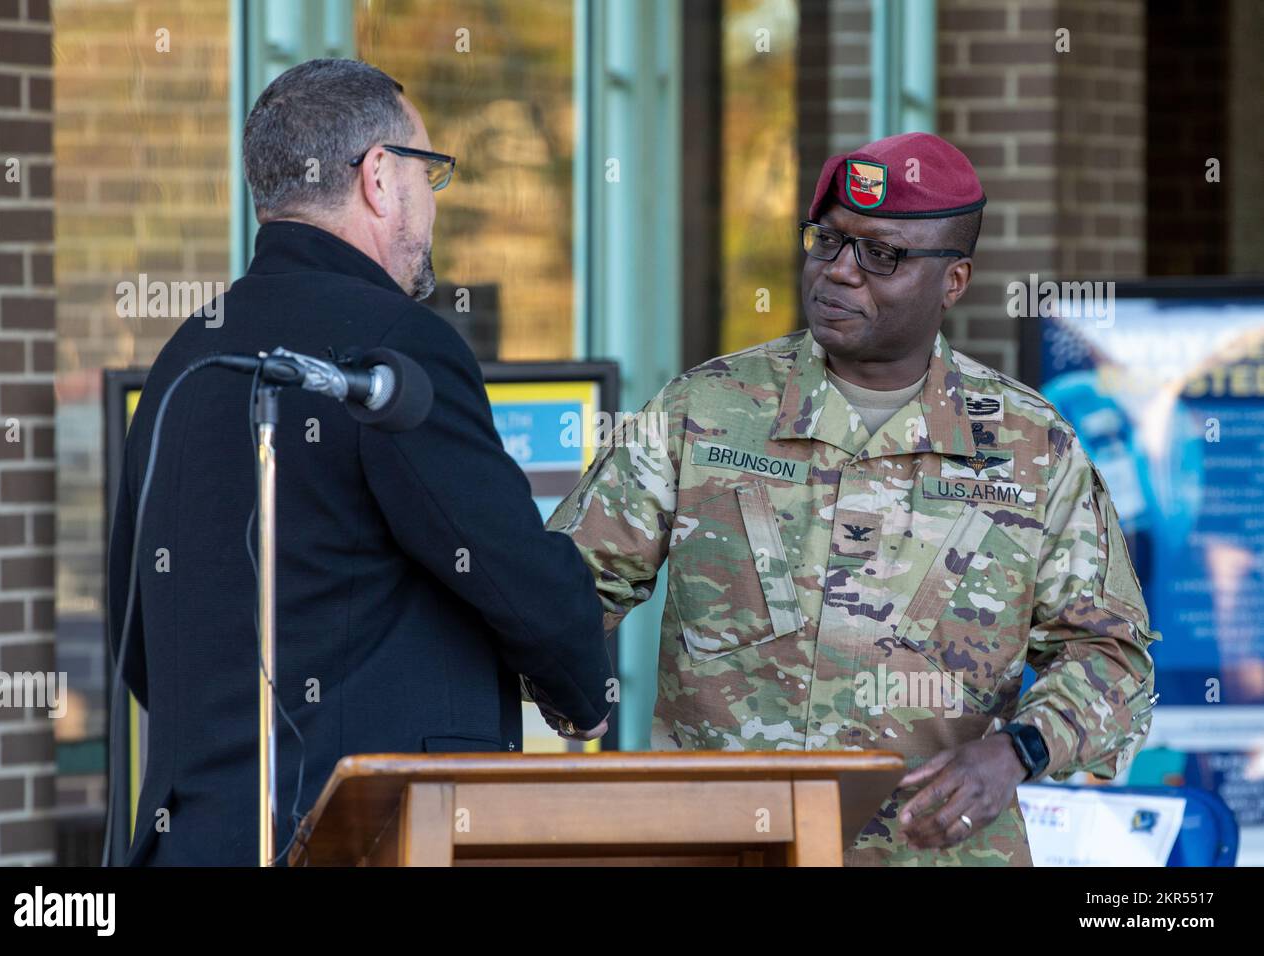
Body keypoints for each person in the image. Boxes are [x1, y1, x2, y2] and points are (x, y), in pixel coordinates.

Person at [547, 132, 1159, 865]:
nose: (839, 272)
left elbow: (1114, 659)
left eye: (882, 254)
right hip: (726, 846)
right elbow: (564, 598)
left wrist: (1016, 752)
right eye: (828, 241)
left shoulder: (1033, 447)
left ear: (954, 281)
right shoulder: (705, 410)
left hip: (932, 854)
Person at [108, 58, 611, 866]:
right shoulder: (398, 346)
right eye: (428, 173)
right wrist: (584, 696)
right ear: (381, 176)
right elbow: (508, 565)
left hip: (193, 838)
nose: (432, 204)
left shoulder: (184, 354)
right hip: (368, 837)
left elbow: (137, 638)